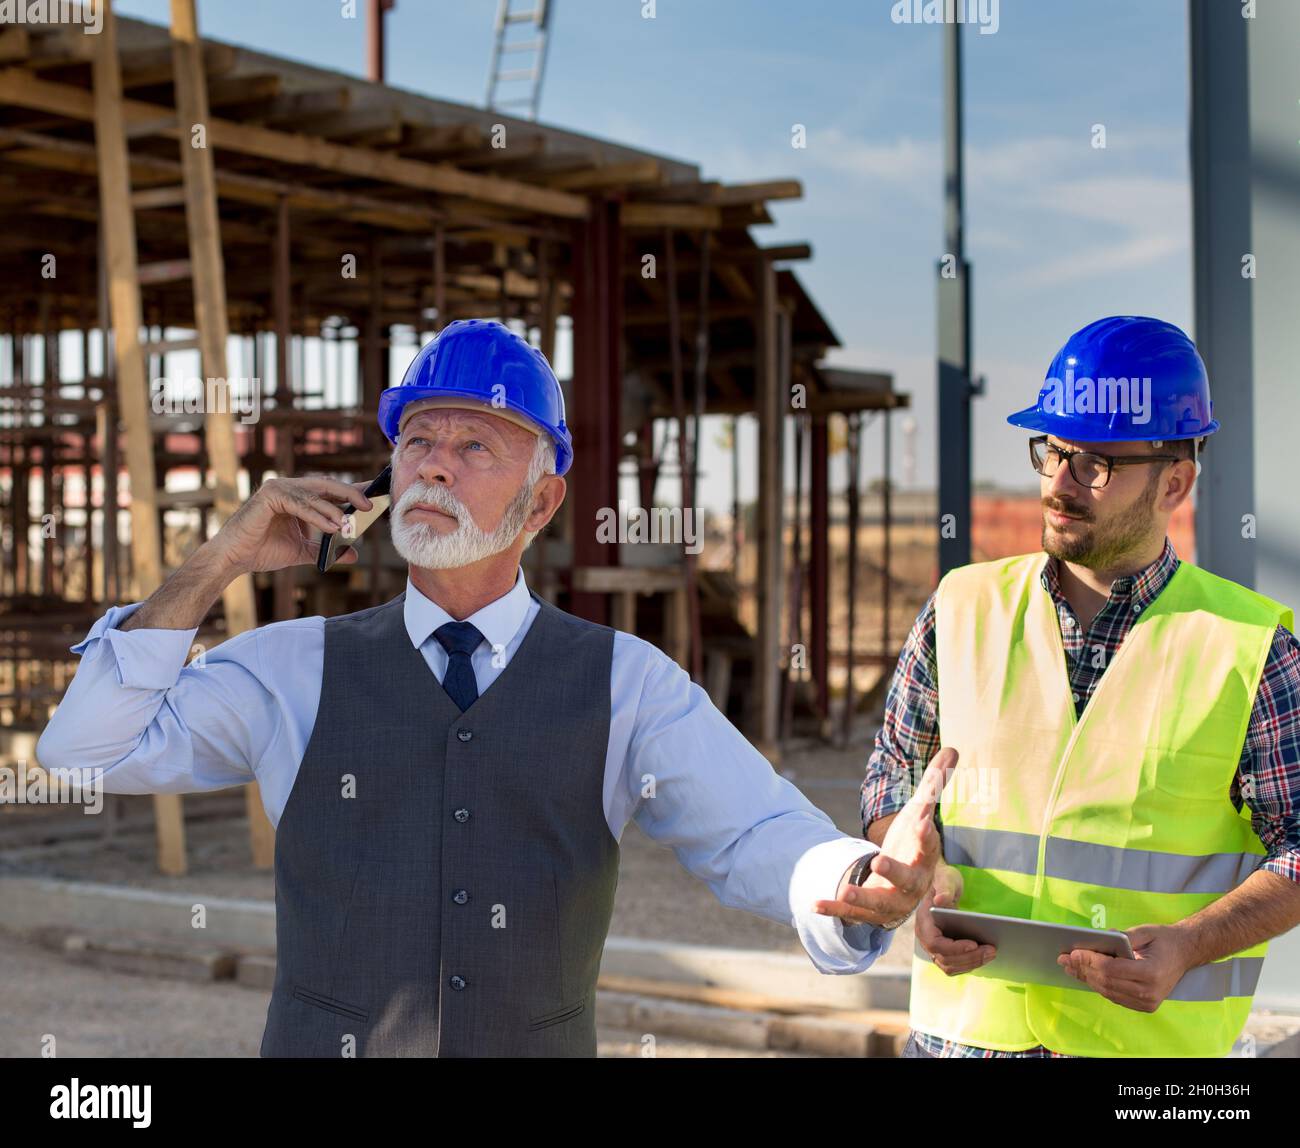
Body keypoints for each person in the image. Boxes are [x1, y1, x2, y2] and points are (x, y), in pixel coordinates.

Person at [38, 318, 949, 1058]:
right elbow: (87, 749)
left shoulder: (624, 683)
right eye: (417, 441)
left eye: (475, 445)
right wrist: (220, 558)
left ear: (543, 502)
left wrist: (856, 877)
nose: (433, 463)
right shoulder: (293, 667)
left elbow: (754, 830)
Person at [862, 315, 1300, 1058]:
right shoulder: (960, 606)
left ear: (1176, 481)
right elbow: (891, 784)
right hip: (961, 1041)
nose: (1060, 484)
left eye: (1095, 463)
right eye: (1052, 452)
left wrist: (1189, 945)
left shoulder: (1251, 647)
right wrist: (921, 883)